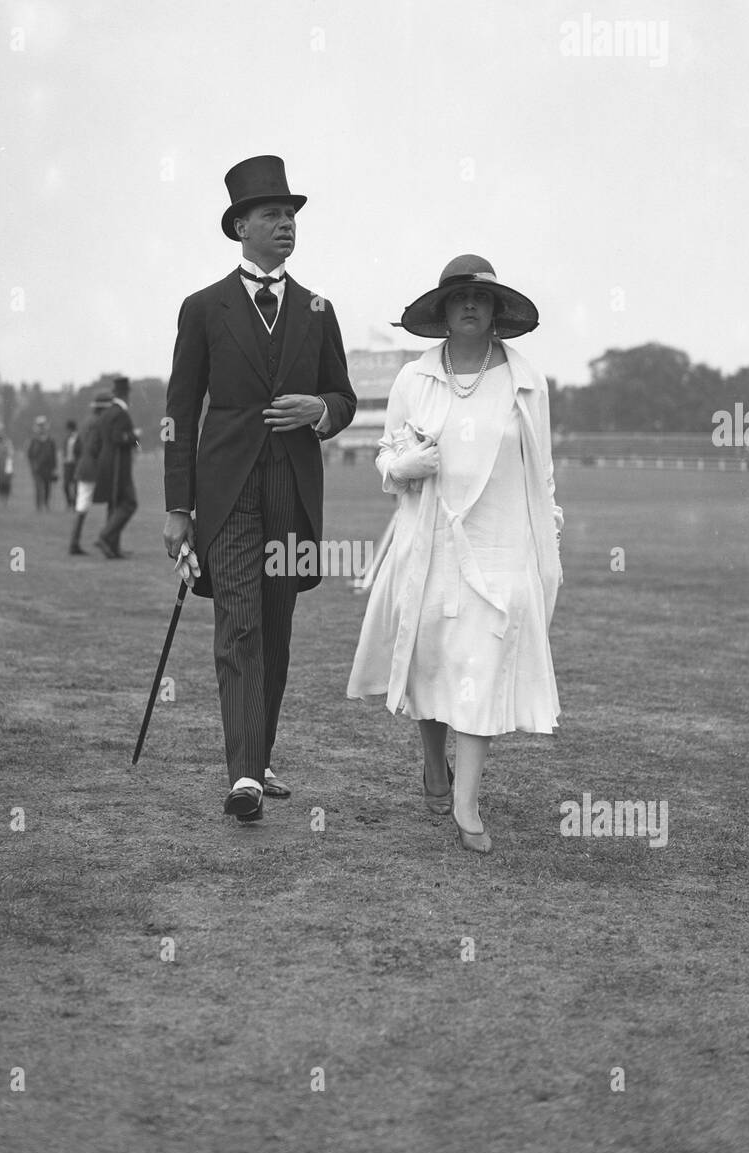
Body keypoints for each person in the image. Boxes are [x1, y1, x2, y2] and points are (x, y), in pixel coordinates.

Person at [347, 255, 563, 854]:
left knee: (481, 663)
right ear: (442, 312)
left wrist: (551, 532)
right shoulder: (414, 379)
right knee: (435, 659)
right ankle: (433, 763)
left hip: (502, 543)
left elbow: (540, 469)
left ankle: (466, 800)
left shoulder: (526, 382)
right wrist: (403, 466)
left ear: (496, 310)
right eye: (459, 298)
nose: (470, 306)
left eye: (482, 298)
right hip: (431, 540)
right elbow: (388, 456)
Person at [164, 155, 357, 820]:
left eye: (291, 215)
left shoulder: (317, 309)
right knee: (239, 625)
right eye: (272, 215)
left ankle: (260, 754)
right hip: (228, 498)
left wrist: (320, 411)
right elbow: (178, 414)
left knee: (275, 629)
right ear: (239, 225)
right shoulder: (202, 308)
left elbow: (345, 397)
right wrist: (177, 507)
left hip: (293, 498)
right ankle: (243, 776)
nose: (285, 225)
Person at [93, 376, 139, 559]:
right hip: (118, 466)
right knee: (129, 503)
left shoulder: (107, 413)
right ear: (126, 394)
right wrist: (135, 437)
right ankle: (105, 536)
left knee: (115, 504)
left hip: (107, 463)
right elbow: (118, 437)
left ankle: (113, 547)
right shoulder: (121, 413)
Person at [69, 391, 111, 556]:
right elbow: (95, 447)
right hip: (93, 469)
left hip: (83, 467)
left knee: (82, 506)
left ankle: (75, 543)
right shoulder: (99, 423)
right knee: (107, 503)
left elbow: (77, 447)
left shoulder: (86, 422)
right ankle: (106, 541)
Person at [27, 416, 57, 509]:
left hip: (48, 468)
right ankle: (38, 506)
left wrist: (54, 468)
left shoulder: (51, 440)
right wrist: (33, 466)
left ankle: (46, 504)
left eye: (43, 425)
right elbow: (30, 455)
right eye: (39, 425)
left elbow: (53, 456)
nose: (41, 427)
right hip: (37, 468)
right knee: (38, 487)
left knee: (48, 487)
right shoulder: (33, 440)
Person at [62, 419, 79, 509]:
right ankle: (69, 502)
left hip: (76, 464)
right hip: (67, 464)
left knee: (76, 485)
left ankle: (75, 504)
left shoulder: (78, 438)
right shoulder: (67, 438)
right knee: (65, 485)